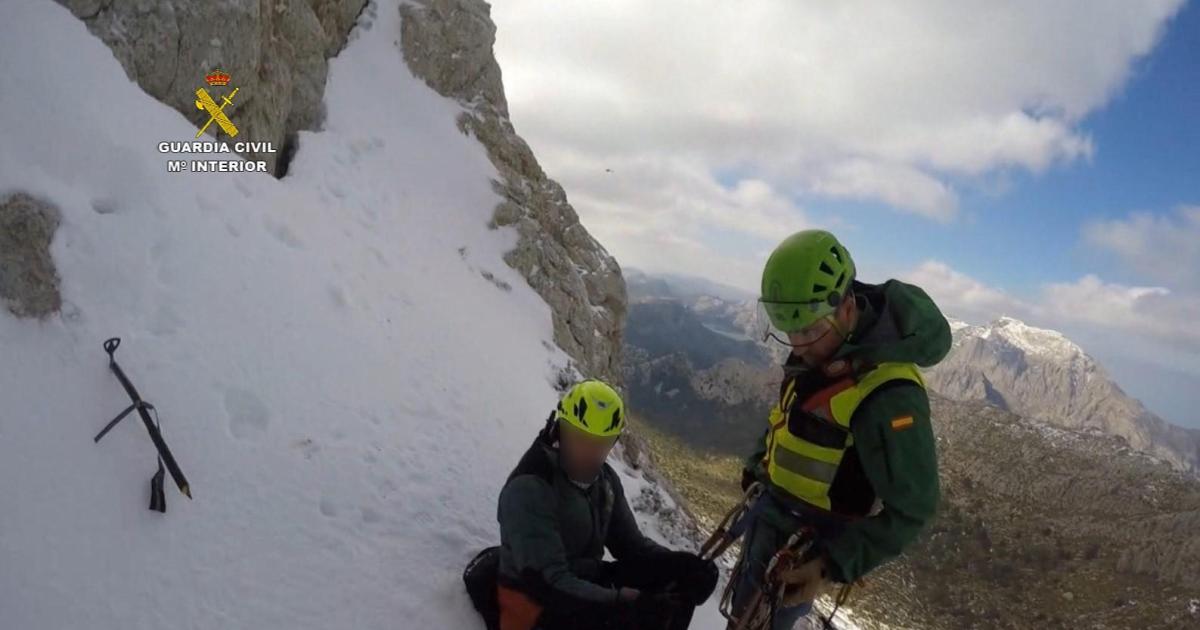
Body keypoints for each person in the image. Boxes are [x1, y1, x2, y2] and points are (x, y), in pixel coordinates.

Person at [732, 229, 950, 629]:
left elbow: (913, 509)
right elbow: (791, 416)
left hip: (804, 549)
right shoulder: (824, 348)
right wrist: (757, 467)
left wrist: (828, 565)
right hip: (770, 514)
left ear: (847, 306)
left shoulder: (889, 396)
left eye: (810, 331)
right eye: (791, 332)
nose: (798, 345)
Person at [496, 379, 719, 630]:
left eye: (601, 443)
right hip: (536, 605)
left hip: (584, 584)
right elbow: (548, 582)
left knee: (676, 580)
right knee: (636, 615)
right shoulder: (530, 487)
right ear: (560, 430)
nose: (589, 452)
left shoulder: (604, 481)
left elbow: (633, 549)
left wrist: (681, 564)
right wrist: (626, 604)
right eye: (579, 438)